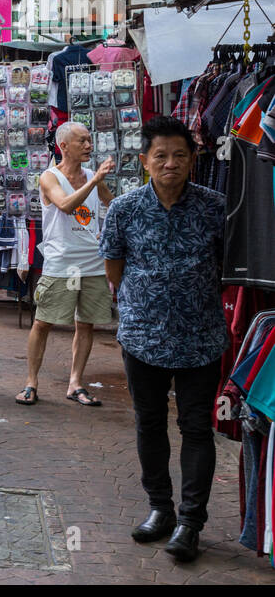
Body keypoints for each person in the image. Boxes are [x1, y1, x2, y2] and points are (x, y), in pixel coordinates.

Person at [100, 116, 227, 563]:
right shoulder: (126, 209)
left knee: (195, 427)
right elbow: (114, 267)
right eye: (161, 156)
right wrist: (142, 304)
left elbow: (225, 267)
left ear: (193, 160)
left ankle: (191, 521)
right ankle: (160, 509)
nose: (170, 163)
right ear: (144, 161)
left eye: (179, 155)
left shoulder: (215, 207)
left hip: (201, 338)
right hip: (142, 337)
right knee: (149, 423)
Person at [15, 122, 115, 407]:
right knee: (43, 322)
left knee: (85, 325)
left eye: (89, 140)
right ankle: (31, 382)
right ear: (64, 146)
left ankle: (76, 383)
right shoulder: (50, 177)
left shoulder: (91, 176)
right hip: (63, 264)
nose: (88, 145)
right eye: (82, 141)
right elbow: (66, 205)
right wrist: (95, 181)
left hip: (93, 263)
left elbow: (114, 205)